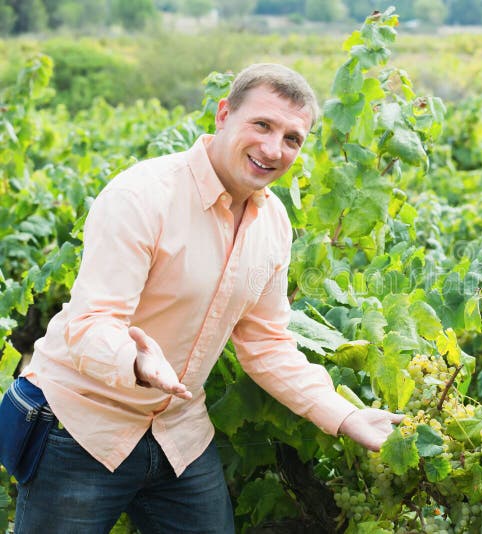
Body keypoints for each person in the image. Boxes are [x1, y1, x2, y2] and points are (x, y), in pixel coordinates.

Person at [11, 63, 403, 533]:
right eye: (262, 125)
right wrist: (136, 362)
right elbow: (91, 322)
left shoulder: (275, 223)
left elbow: (266, 343)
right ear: (223, 115)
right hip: (82, 427)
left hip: (179, 432)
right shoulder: (142, 196)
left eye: (292, 138)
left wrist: (345, 417)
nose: (273, 148)